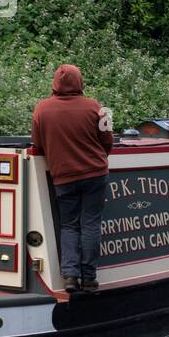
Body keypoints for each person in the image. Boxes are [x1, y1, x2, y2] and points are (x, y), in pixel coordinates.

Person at [31, 64, 113, 294]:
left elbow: (37, 144)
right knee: (90, 224)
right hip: (95, 174)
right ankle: (89, 278)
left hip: (63, 176)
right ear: (80, 82)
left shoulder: (41, 109)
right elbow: (108, 141)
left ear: (55, 84)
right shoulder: (96, 107)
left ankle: (69, 276)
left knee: (68, 225)